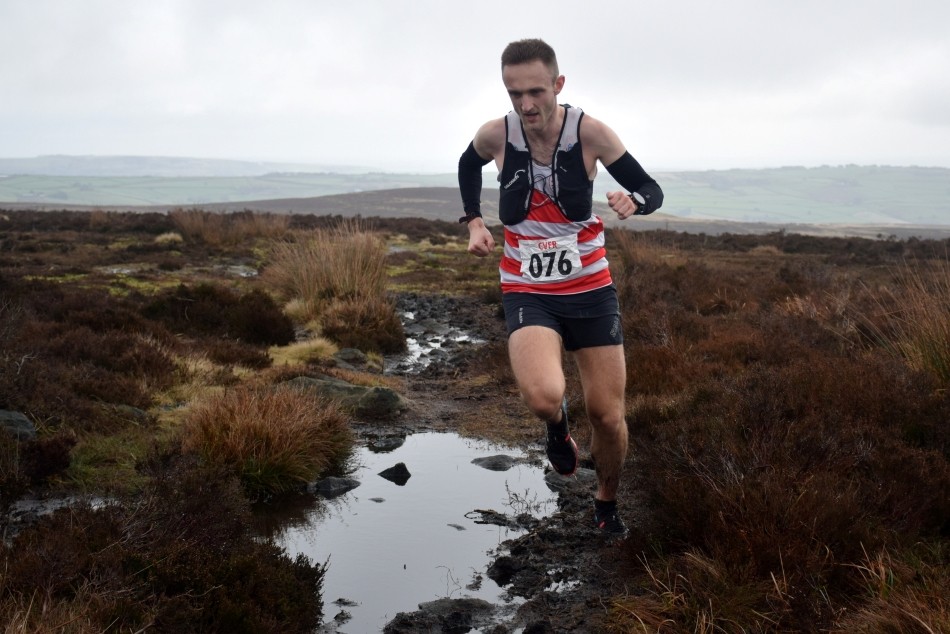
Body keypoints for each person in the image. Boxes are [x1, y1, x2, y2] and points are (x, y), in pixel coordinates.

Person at [456, 38, 663, 537]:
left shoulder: (589, 133)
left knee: (608, 416)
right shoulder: (496, 135)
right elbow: (468, 165)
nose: (526, 104)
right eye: (514, 93)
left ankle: (606, 503)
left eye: (535, 91)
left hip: (590, 288)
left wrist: (633, 200)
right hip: (528, 287)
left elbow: (651, 190)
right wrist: (474, 222)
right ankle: (557, 428)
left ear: (558, 84)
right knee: (545, 397)